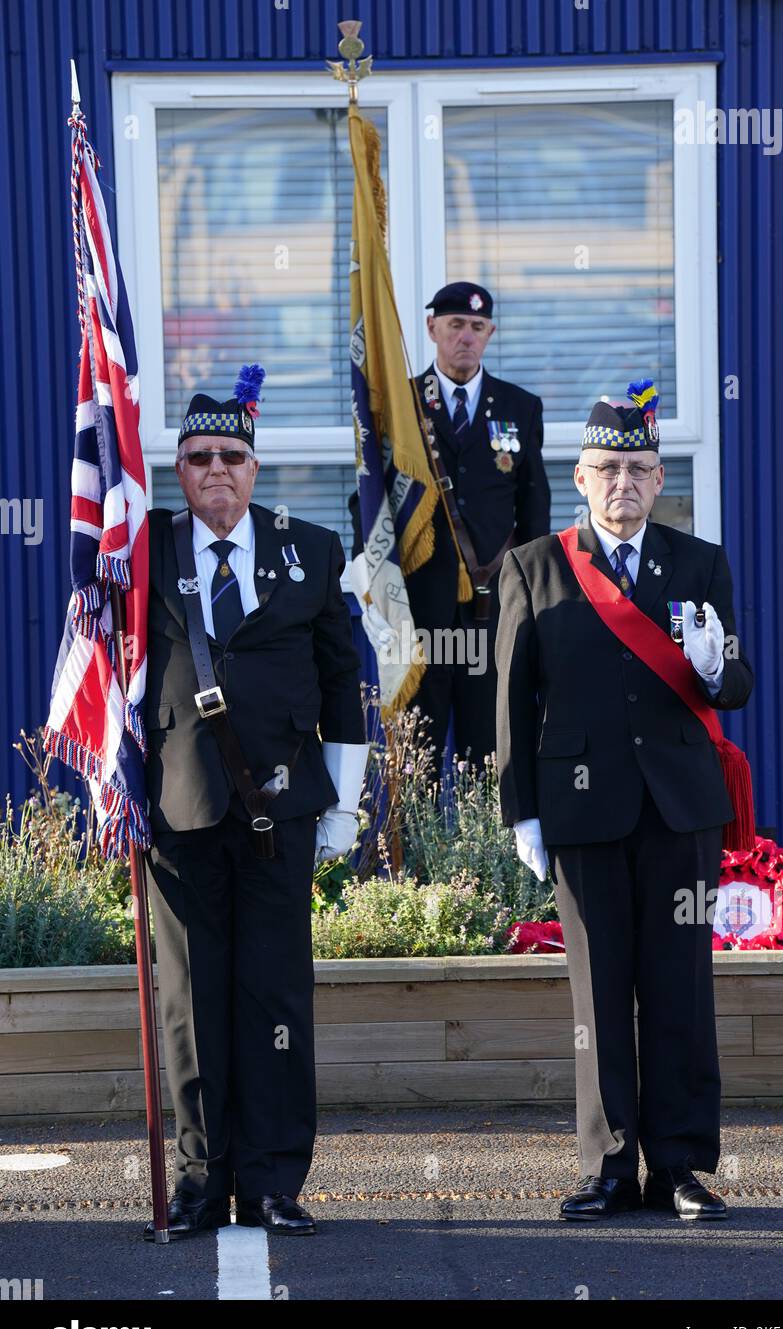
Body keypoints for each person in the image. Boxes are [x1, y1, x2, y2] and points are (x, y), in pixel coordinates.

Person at [495, 379, 754, 1222]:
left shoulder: (697, 562)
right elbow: (511, 697)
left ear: (658, 478)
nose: (624, 484)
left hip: (681, 808)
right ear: (579, 476)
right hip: (582, 810)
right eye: (608, 468)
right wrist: (522, 811)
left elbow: (738, 682)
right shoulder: (535, 567)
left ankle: (679, 1165)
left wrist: (717, 667)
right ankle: (609, 1166)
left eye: (640, 469)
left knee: (679, 987)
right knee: (599, 995)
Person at [142, 367, 368, 1240]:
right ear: (179, 469)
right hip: (180, 807)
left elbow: (344, 679)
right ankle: (202, 1179)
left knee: (275, 998)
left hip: (281, 809)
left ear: (255, 466)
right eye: (198, 457)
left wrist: (344, 801)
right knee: (191, 1001)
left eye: (231, 455)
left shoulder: (308, 548)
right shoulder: (144, 550)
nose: (215, 471)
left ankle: (273, 1179)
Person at [349, 281, 550, 778]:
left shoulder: (519, 407)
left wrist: (534, 595)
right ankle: (415, 857)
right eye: (456, 324)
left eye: (477, 327)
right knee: (416, 754)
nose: (466, 337)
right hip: (418, 611)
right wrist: (369, 583)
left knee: (489, 753)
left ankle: (491, 858)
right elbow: (368, 499)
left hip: (494, 609)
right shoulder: (401, 406)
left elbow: (533, 504)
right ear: (432, 328)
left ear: (490, 334)